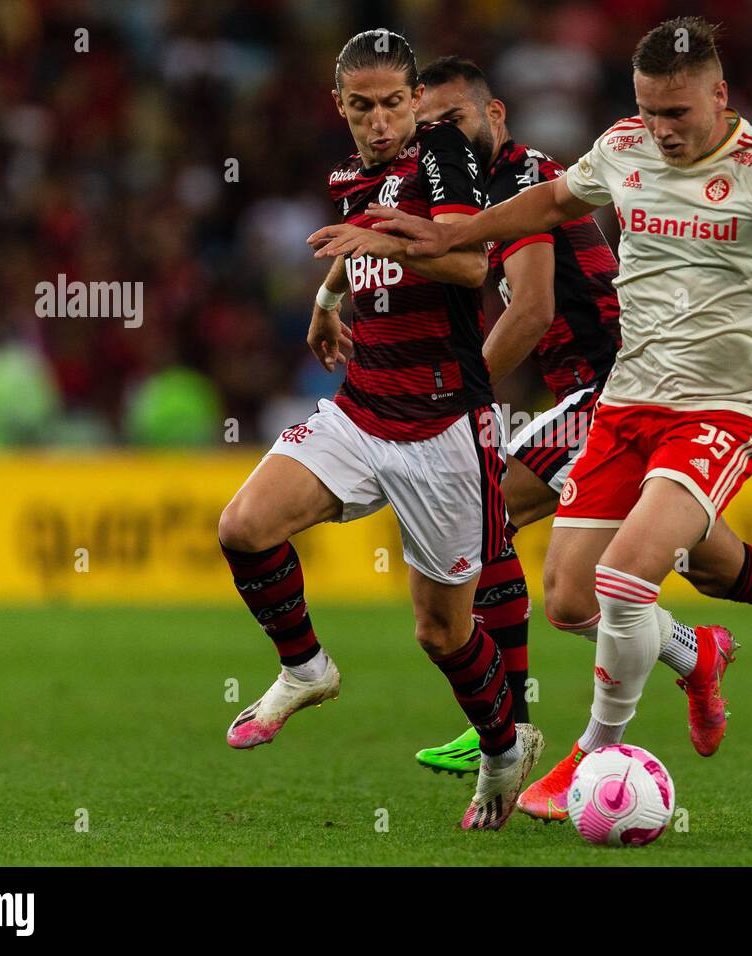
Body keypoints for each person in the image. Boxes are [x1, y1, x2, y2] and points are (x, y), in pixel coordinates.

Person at [319, 17, 752, 824]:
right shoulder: (622, 146)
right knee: (589, 596)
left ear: (720, 97)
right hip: (626, 405)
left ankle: (576, 752)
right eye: (651, 111)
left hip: (719, 413)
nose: (663, 130)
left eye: (679, 114)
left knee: (610, 571)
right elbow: (548, 204)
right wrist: (446, 236)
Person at [220, 29, 541, 832]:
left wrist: (378, 241)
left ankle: (504, 749)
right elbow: (367, 229)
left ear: (413, 98)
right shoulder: (353, 173)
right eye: (361, 107)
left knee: (442, 633)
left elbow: (470, 265)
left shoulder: (445, 152)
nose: (379, 120)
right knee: (244, 526)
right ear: (340, 106)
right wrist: (331, 299)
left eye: (393, 102)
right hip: (362, 410)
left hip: (441, 427)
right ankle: (306, 667)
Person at [408, 57, 752, 783]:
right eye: (428, 127)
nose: (441, 137)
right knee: (708, 564)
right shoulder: (490, 186)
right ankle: (691, 655)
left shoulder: (518, 182)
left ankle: (507, 725)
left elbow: (531, 311)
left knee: (487, 511)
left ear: (494, 113)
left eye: (454, 120)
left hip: (610, 389)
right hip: (595, 391)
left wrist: (456, 394)